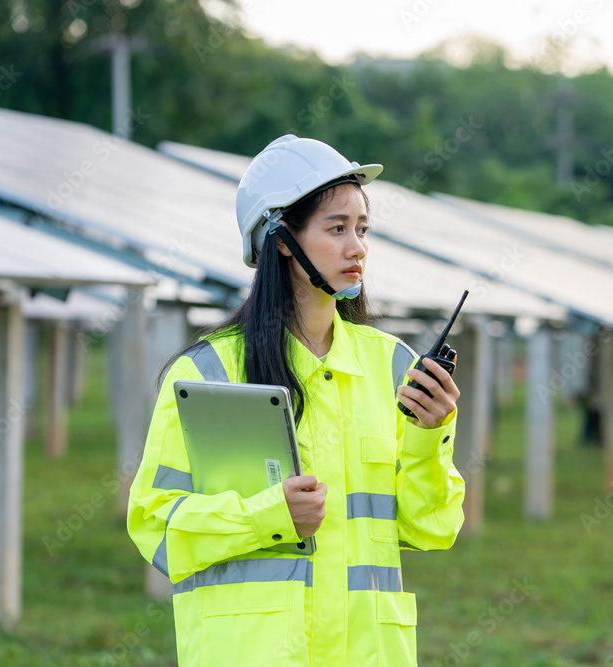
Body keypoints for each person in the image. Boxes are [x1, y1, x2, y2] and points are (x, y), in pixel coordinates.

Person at [127, 134, 466, 666]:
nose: (357, 247)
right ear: (282, 240)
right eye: (337, 228)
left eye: (362, 228)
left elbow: (433, 529)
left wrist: (430, 436)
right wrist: (269, 515)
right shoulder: (210, 372)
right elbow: (156, 526)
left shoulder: (394, 367)